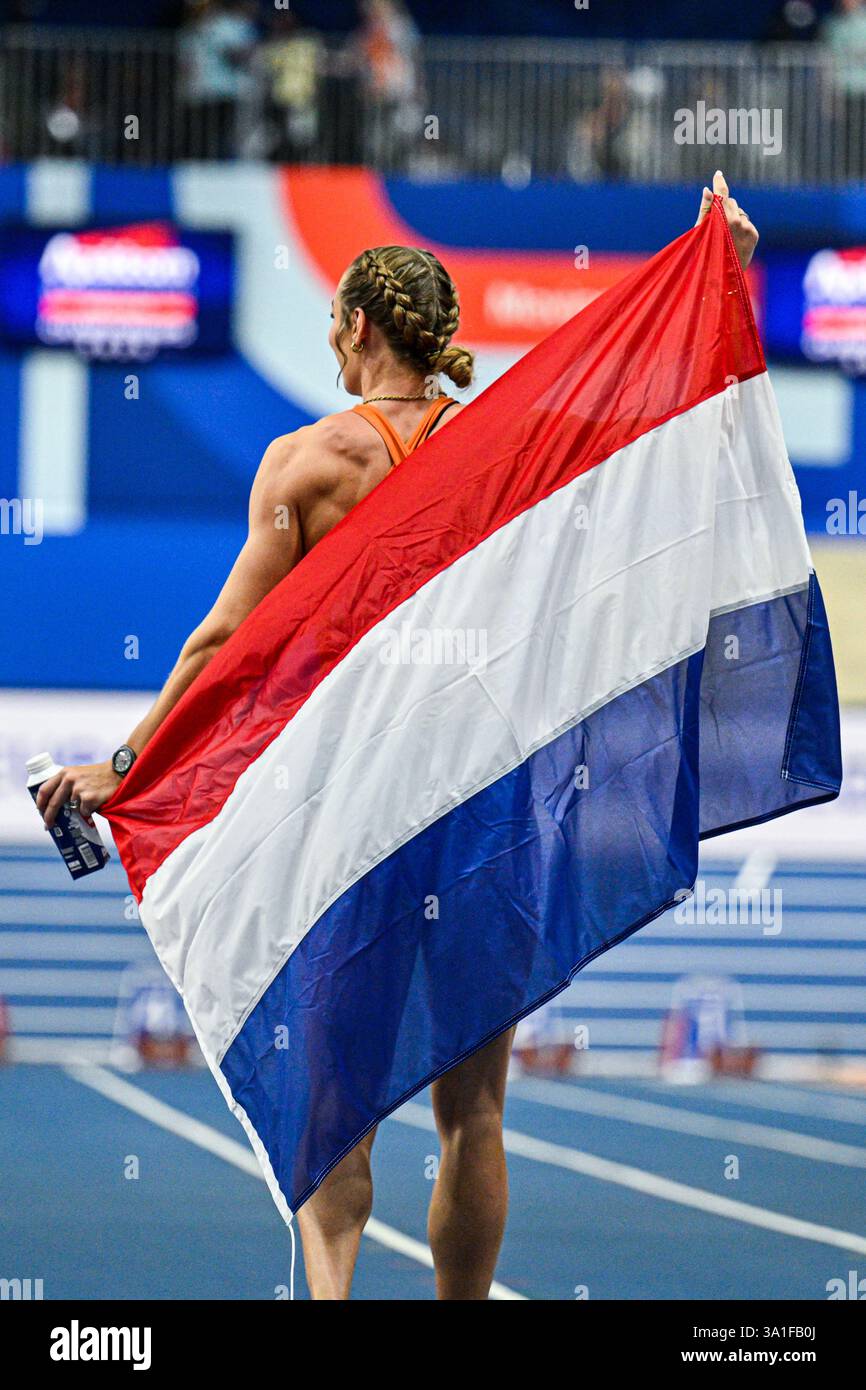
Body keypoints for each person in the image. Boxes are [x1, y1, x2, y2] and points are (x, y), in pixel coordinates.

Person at [36, 172, 758, 1299]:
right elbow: (646, 422)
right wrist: (724, 272)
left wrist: (122, 766)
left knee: (339, 1096)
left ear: (357, 324)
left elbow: (219, 643)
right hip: (483, 810)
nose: (330, 338)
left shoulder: (308, 464)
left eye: (333, 322)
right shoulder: (516, 450)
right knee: (474, 1107)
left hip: (358, 819)